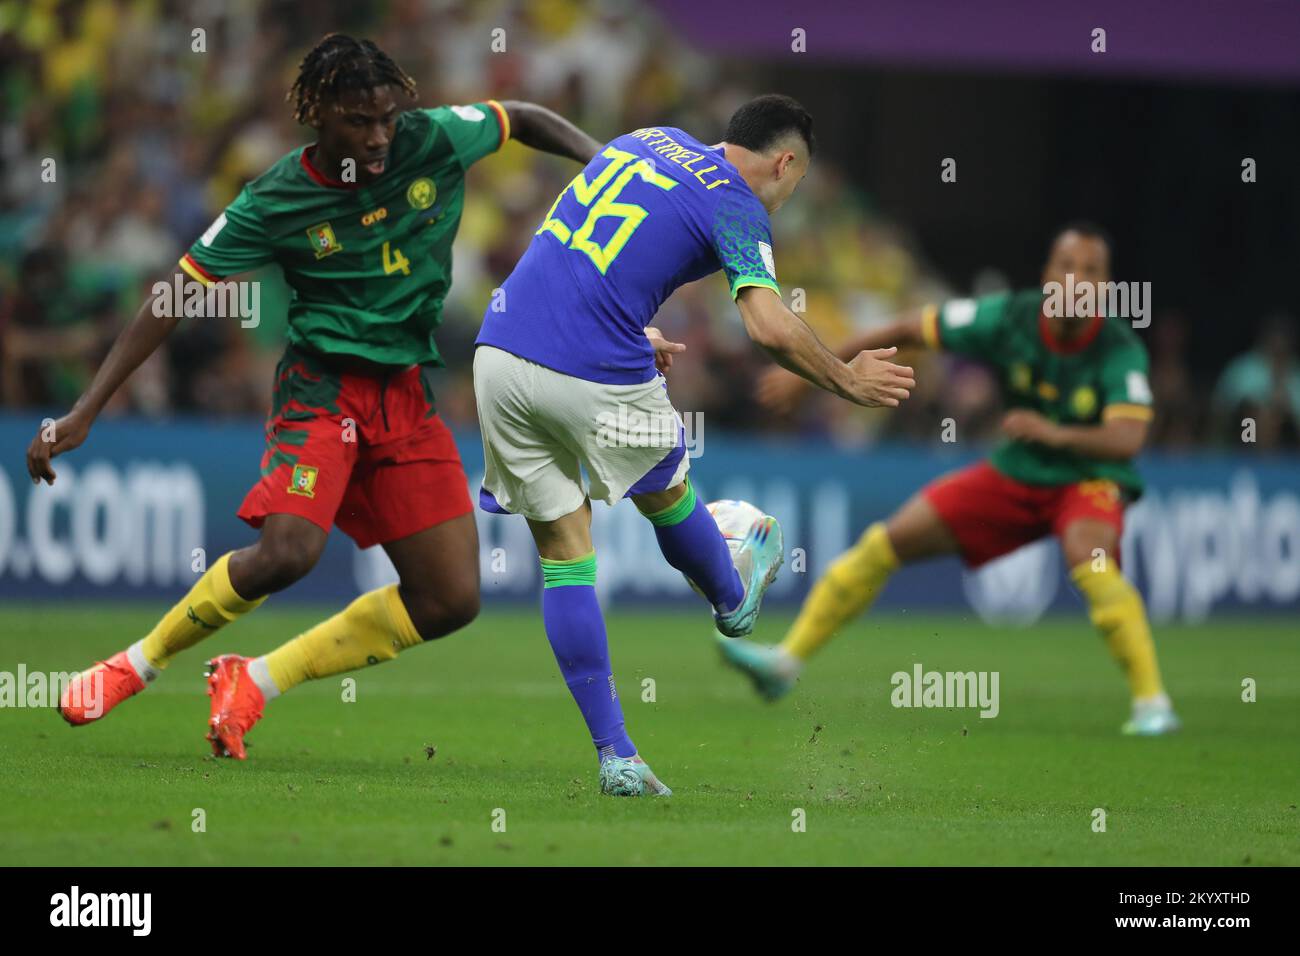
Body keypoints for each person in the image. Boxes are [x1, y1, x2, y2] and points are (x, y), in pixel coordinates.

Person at [27, 34, 602, 759]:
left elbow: (518, 116)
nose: (381, 136)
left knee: (451, 599)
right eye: (361, 121)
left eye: (389, 117)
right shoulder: (275, 198)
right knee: (288, 553)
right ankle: (133, 665)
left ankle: (255, 682)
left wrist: (604, 159)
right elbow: (174, 294)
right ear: (318, 114)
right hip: (323, 392)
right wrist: (85, 409)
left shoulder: (432, 140)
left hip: (405, 395)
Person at [472, 94, 916, 795]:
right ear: (785, 161)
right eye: (795, 183)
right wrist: (845, 379)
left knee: (563, 552)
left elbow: (590, 256)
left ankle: (617, 756)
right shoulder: (739, 203)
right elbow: (768, 327)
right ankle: (734, 598)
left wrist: (630, 331)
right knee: (668, 492)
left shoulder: (647, 139)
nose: (790, 195)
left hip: (498, 353)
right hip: (588, 368)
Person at [725, 223, 1181, 736]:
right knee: (885, 543)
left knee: (1089, 558)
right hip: (1016, 473)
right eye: (1065, 266)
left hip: (1088, 478)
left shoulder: (1118, 347)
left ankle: (1152, 703)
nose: (1076, 279)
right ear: (1047, 274)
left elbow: (1127, 439)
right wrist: (813, 372)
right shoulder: (1011, 317)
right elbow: (907, 328)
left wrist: (1051, 433)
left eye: (1091, 271)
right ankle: (787, 662)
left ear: (1107, 285)